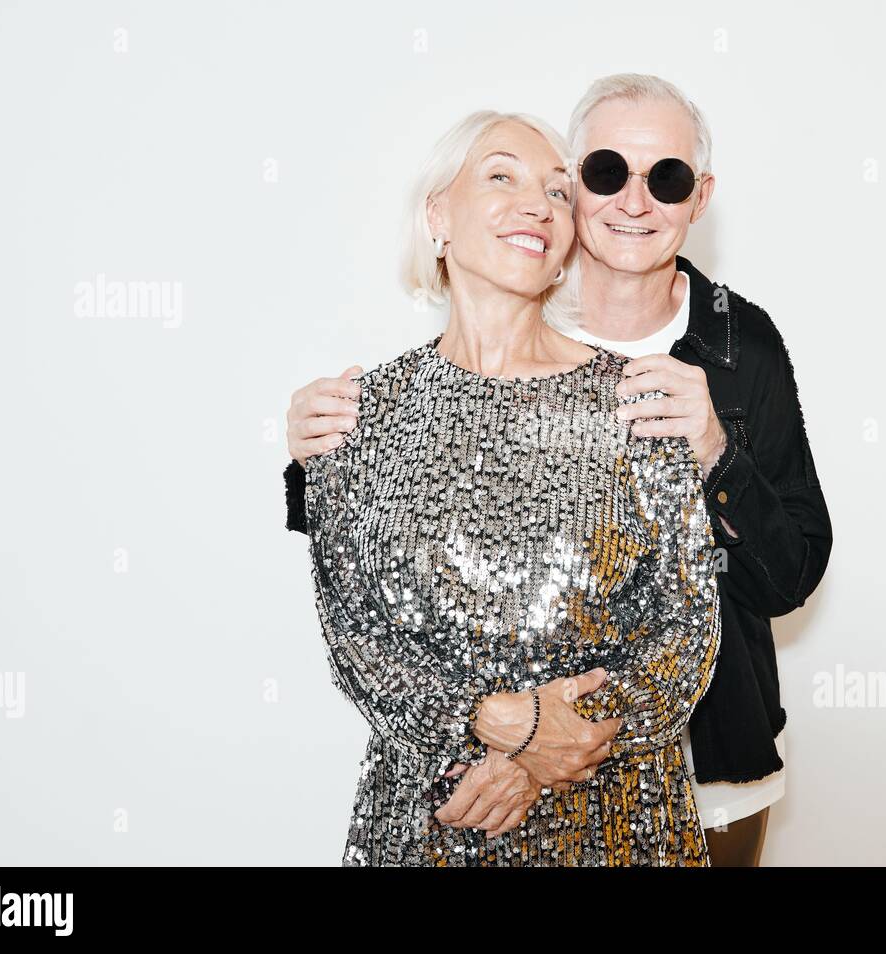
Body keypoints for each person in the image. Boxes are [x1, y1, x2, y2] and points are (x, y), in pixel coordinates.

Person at [287, 75, 832, 867]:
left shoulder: (724, 352)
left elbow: (761, 587)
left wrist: (714, 446)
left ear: (700, 196)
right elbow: (366, 604)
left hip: (685, 770)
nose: (634, 202)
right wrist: (307, 458)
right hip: (448, 795)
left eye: (668, 178)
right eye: (604, 173)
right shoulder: (398, 381)